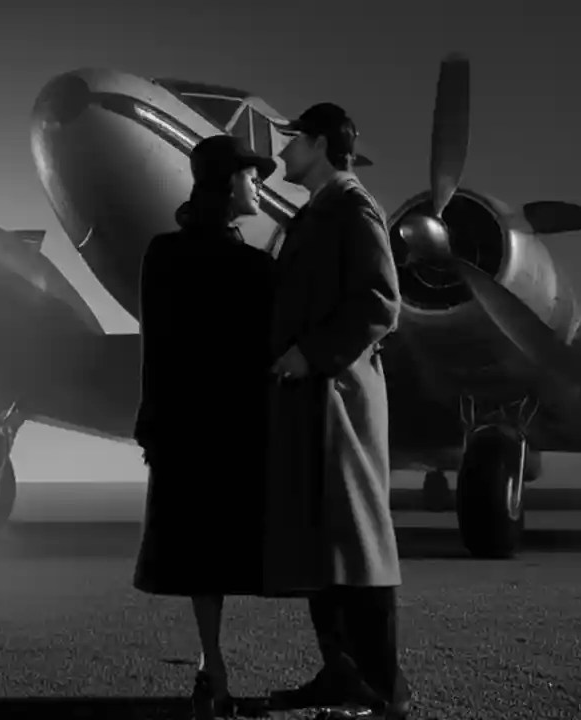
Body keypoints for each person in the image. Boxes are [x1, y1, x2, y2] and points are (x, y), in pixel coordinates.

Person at [262, 102, 412, 719]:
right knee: (326, 545)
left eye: (292, 139)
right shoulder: (320, 210)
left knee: (358, 541)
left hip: (341, 397)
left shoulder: (353, 209)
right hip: (316, 398)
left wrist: (310, 355)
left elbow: (381, 302)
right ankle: (341, 674)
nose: (282, 150)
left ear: (320, 143)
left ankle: (384, 690)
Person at [131, 133, 278, 720]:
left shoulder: (160, 254)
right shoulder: (258, 267)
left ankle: (210, 662)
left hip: (184, 424)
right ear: (227, 183)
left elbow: (154, 346)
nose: (259, 185)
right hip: (241, 427)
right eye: (251, 175)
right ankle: (212, 666)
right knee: (226, 551)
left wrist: (150, 419)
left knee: (197, 556)